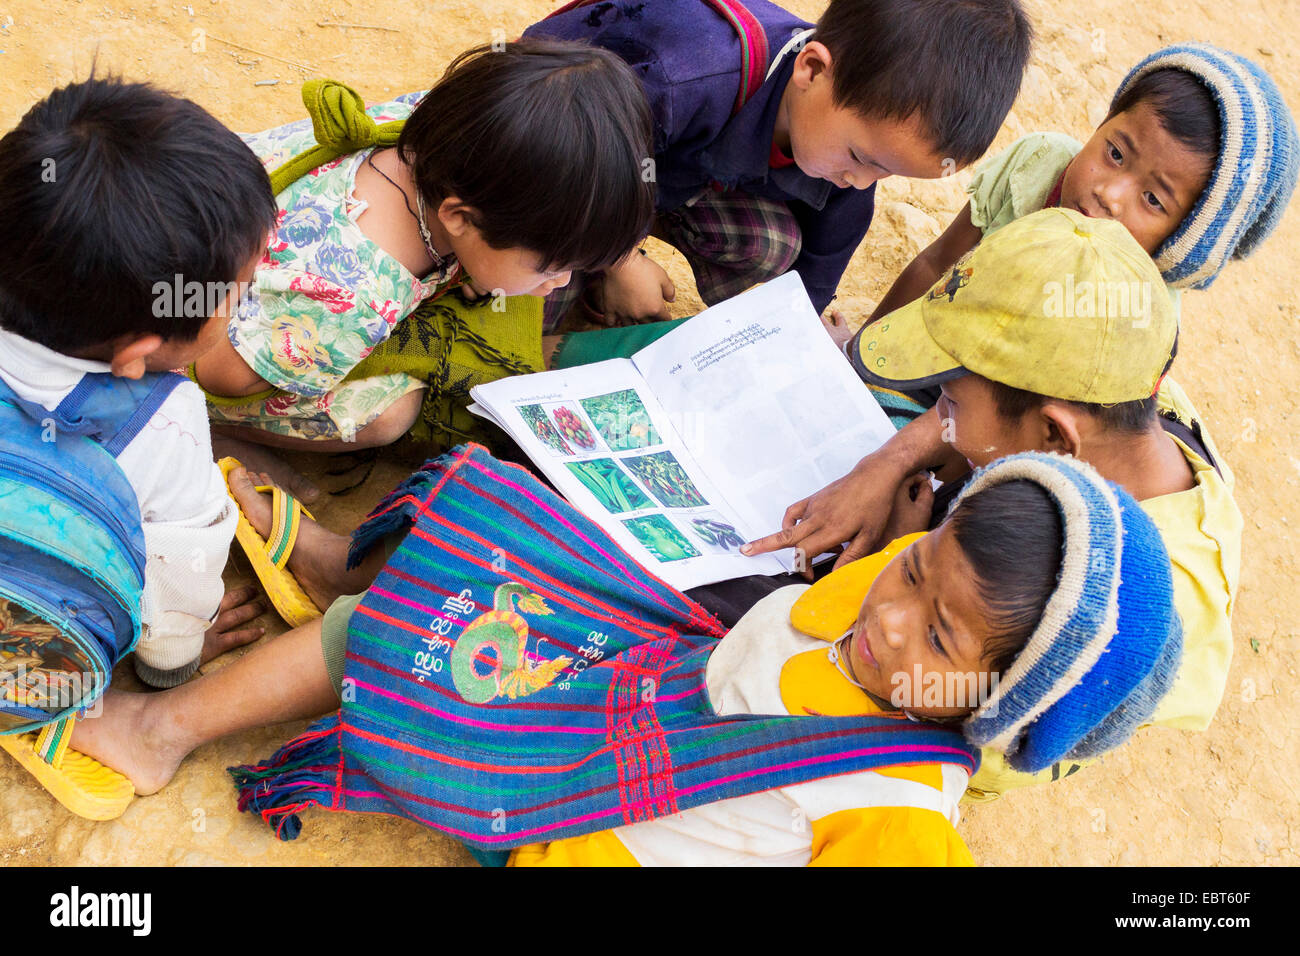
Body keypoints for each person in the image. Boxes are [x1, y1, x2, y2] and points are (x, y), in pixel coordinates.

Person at [69, 447, 1178, 866]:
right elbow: (797, 622)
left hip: (584, 825)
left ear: (999, 706)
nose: (891, 617)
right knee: (460, 569)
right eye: (917, 568)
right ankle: (167, 725)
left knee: (414, 642)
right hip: (631, 696)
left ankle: (172, 720)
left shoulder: (898, 817)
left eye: (938, 636)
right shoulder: (878, 595)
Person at [745, 207, 1240, 797]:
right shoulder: (1116, 385)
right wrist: (886, 464)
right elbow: (970, 412)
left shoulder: (1124, 620)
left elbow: (971, 743)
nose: (939, 410)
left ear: (1054, 439)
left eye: (949, 396)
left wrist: (902, 549)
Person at [0, 75, 273, 815]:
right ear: (141, 351)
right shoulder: (164, 420)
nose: (244, 301)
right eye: (236, 295)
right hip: (24, 675)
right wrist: (168, 665)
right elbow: (179, 578)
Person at [191, 39, 656, 455]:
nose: (561, 284)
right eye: (550, 267)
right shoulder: (354, 296)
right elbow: (220, 373)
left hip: (219, 204)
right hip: (200, 332)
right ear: (459, 218)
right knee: (389, 413)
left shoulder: (442, 130)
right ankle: (209, 434)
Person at [523, 0, 1034, 328]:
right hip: (554, 139)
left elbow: (811, 281)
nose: (861, 181)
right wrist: (622, 260)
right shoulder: (683, 80)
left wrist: (792, 344)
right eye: (861, 158)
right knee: (531, 289)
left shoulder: (846, 144)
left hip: (663, 171)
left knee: (772, 246)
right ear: (811, 69)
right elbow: (576, 166)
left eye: (886, 172)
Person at [825, 43, 1299, 368]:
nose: (1110, 194)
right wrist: (860, 355)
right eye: (1115, 153)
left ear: (1182, 243)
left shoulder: (1139, 314)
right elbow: (937, 262)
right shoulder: (1036, 168)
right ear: (1105, 121)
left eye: (1153, 199)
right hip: (935, 348)